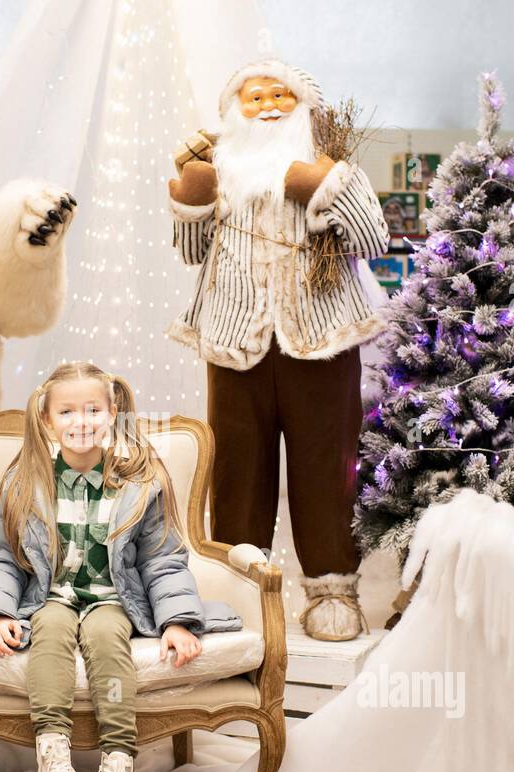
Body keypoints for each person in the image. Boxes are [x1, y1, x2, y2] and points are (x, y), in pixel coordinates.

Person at [166, 60, 391, 641]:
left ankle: (332, 589)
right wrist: (193, 200)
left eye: (279, 95)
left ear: (302, 106)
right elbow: (190, 252)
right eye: (255, 96)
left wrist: (324, 188)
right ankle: (238, 591)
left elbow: (374, 239)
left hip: (319, 343)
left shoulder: (330, 167)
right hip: (234, 342)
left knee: (326, 466)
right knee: (237, 471)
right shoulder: (222, 172)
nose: (267, 105)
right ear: (234, 111)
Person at [0, 361, 217, 772]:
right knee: (50, 630)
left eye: (92, 410)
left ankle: (118, 767)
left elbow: (162, 560)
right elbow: (1, 555)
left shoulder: (139, 482)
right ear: (47, 420)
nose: (80, 422)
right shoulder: (25, 481)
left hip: (112, 599)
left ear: (112, 414)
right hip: (50, 597)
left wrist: (176, 621)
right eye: (66, 412)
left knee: (105, 637)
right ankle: (53, 751)